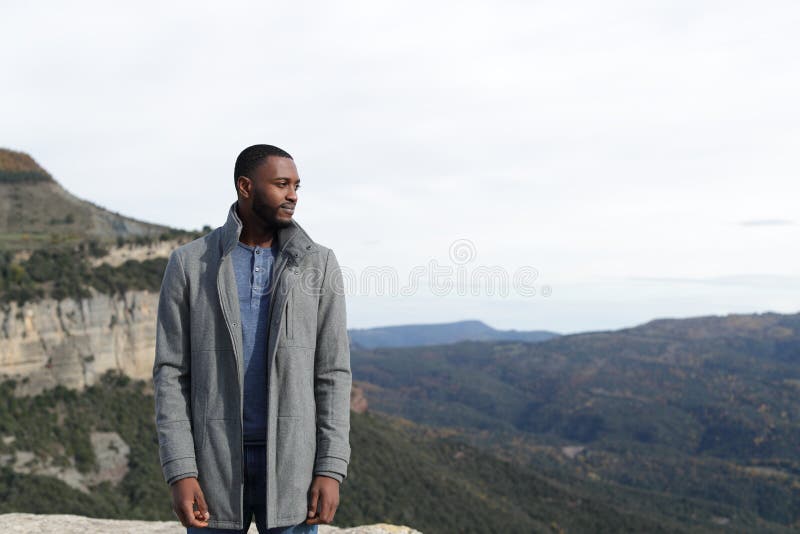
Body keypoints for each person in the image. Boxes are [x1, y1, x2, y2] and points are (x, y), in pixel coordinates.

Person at [153, 144, 352, 533]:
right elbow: (171, 374)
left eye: (296, 185)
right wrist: (180, 470)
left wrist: (331, 468)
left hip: (294, 464)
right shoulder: (190, 263)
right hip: (214, 466)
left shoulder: (319, 263)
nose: (292, 195)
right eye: (281, 184)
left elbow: (333, 373)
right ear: (246, 186)